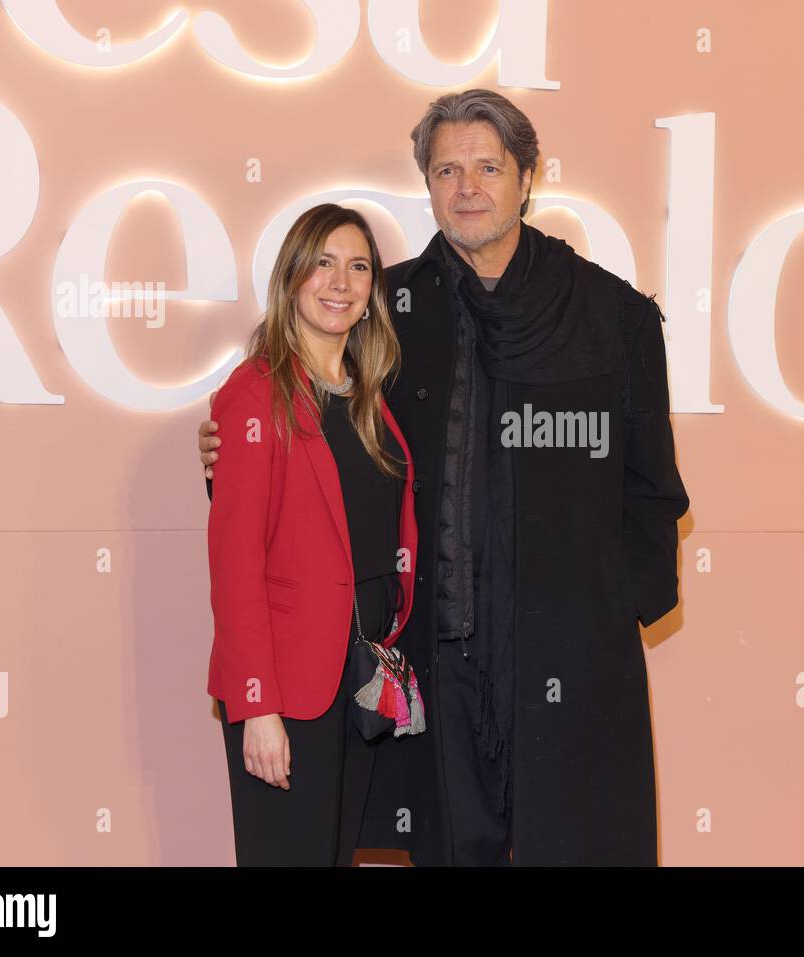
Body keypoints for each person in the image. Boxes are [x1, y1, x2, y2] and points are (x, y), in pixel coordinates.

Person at [201, 89, 688, 866]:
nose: (467, 187)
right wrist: (230, 449)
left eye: (488, 167)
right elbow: (315, 440)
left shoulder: (611, 316)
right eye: (446, 169)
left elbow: (652, 494)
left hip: (566, 666)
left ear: (528, 177)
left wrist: (603, 616)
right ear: (427, 185)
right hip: (434, 661)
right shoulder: (385, 313)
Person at [206, 203, 418, 866]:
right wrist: (256, 705)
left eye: (357, 266)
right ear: (292, 277)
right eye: (322, 262)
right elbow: (235, 563)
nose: (340, 281)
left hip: (359, 682)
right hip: (288, 688)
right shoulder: (254, 393)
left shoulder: (370, 396)